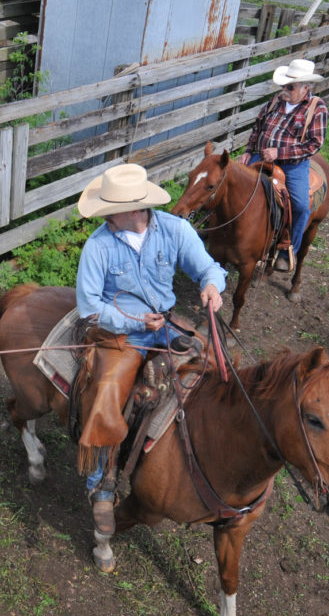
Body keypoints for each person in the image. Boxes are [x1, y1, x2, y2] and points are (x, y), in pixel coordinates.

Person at [74, 163, 226, 534]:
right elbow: (89, 307)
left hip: (167, 323)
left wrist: (212, 286)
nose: (107, 215)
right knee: (108, 390)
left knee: (213, 369)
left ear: (133, 207)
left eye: (112, 207)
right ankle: (100, 481)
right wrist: (134, 322)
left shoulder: (174, 230)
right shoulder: (98, 246)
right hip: (124, 334)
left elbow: (208, 268)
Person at [236, 58, 327, 272]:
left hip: (293, 165)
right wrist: (249, 152)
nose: (284, 90)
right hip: (262, 156)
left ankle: (287, 250)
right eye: (283, 85)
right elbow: (258, 128)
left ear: (306, 87)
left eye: (290, 86)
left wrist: (280, 152)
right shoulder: (276, 101)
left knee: (300, 206)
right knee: (234, 184)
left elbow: (314, 144)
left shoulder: (317, 108)